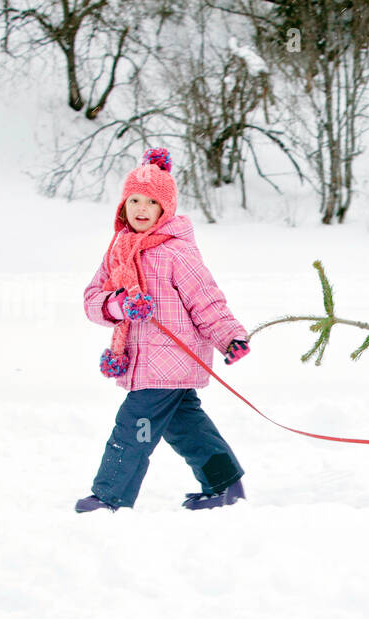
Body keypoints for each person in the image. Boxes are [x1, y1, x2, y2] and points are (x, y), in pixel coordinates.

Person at [75, 148, 252, 513]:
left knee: (133, 427)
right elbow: (93, 299)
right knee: (185, 427)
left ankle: (110, 496)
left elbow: (206, 300)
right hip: (145, 362)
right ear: (123, 206)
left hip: (171, 359)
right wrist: (120, 304)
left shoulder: (176, 252)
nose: (141, 208)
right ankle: (226, 485)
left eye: (151, 202)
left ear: (164, 209)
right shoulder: (118, 252)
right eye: (134, 200)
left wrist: (228, 336)